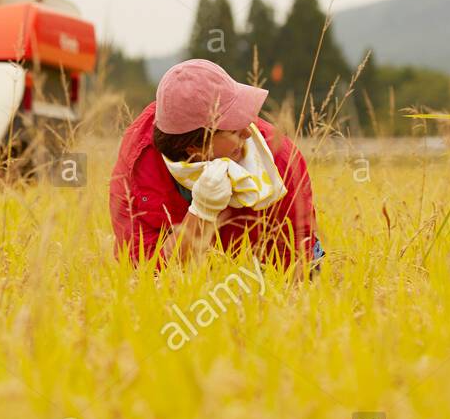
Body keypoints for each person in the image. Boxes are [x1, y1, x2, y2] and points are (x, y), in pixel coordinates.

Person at [109, 58, 322, 271]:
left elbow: (300, 265)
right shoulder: (137, 163)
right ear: (194, 147)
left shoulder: (280, 161)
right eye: (232, 129)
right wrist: (201, 213)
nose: (248, 131)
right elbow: (143, 272)